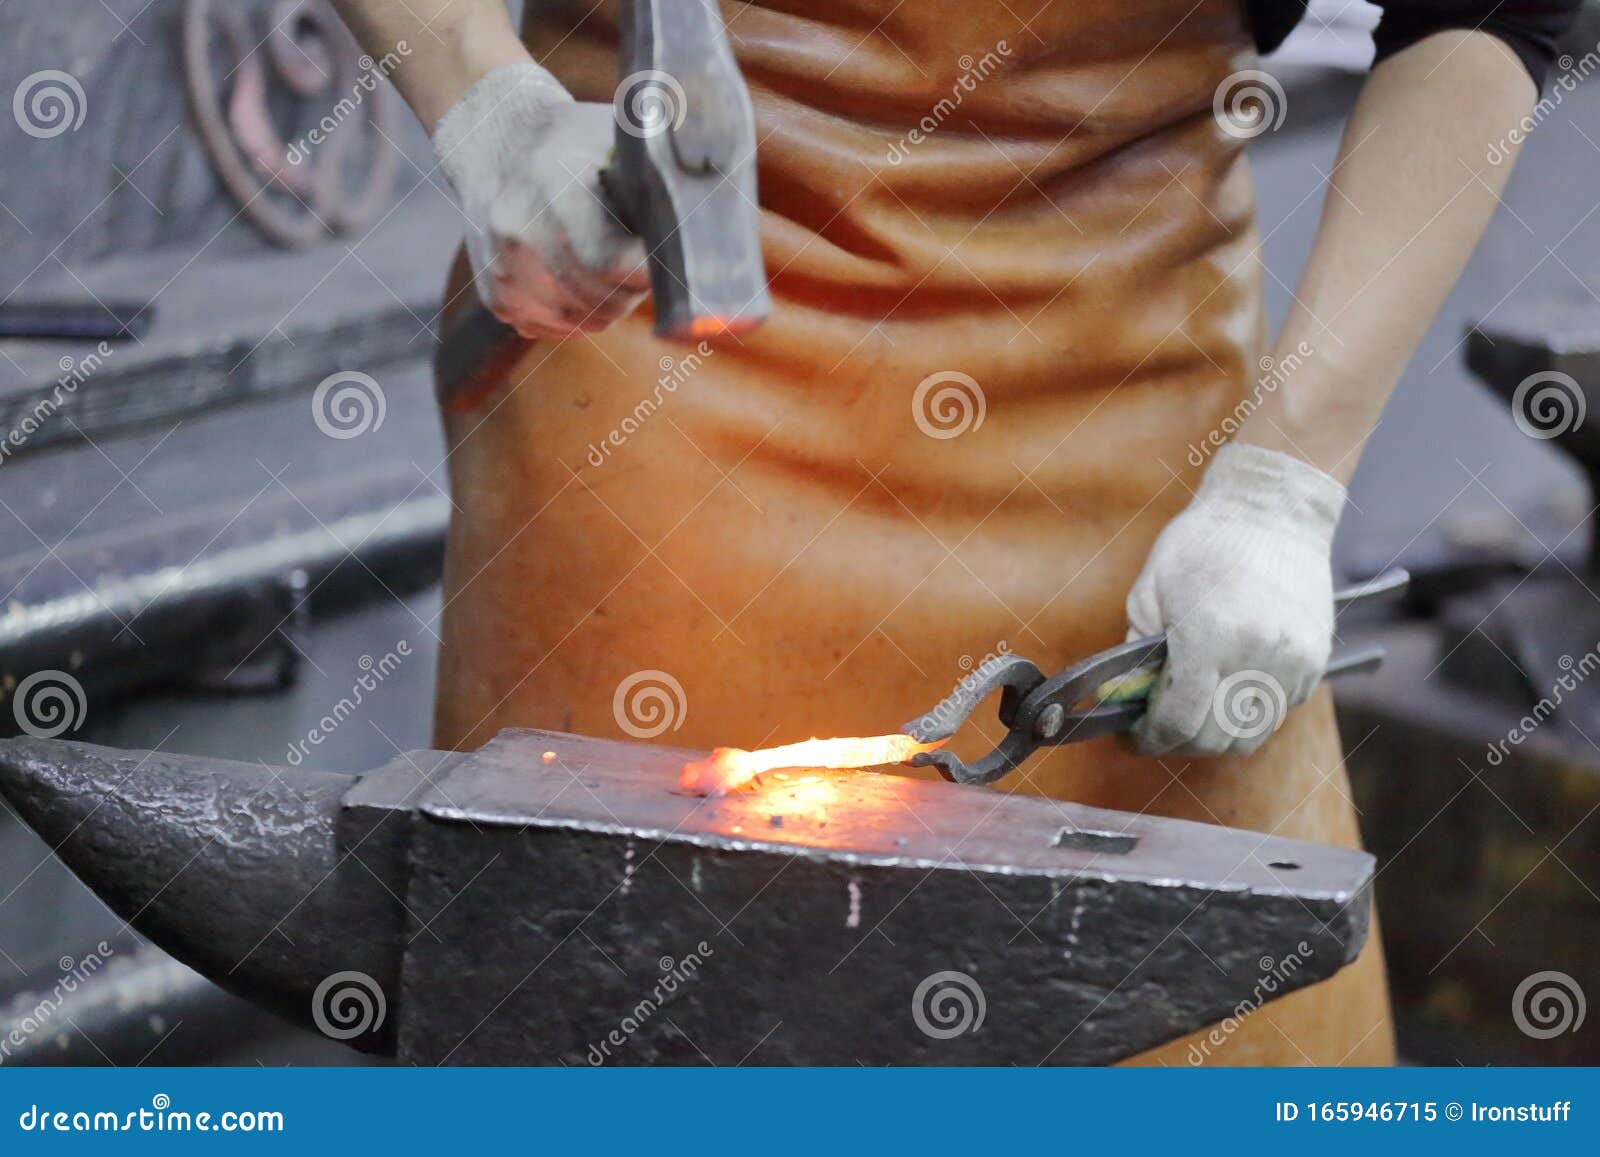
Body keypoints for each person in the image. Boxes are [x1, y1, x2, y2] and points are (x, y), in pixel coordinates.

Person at [330, 0, 1578, 1064]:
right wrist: (484, 105)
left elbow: (1484, 10)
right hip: (643, 381)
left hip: (1132, 421)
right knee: (617, 1013)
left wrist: (1287, 481)